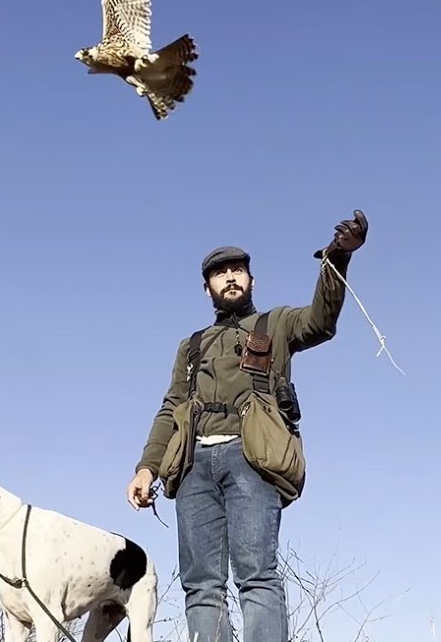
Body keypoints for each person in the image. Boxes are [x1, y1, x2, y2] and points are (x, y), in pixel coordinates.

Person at [125, 210, 369, 642]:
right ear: (207, 288)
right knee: (201, 585)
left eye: (237, 270)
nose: (230, 277)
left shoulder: (276, 324)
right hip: (192, 466)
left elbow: (321, 321)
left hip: (251, 459)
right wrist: (147, 468)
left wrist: (337, 260)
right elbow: (171, 408)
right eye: (220, 273)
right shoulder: (191, 346)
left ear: (252, 280)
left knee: (257, 574)